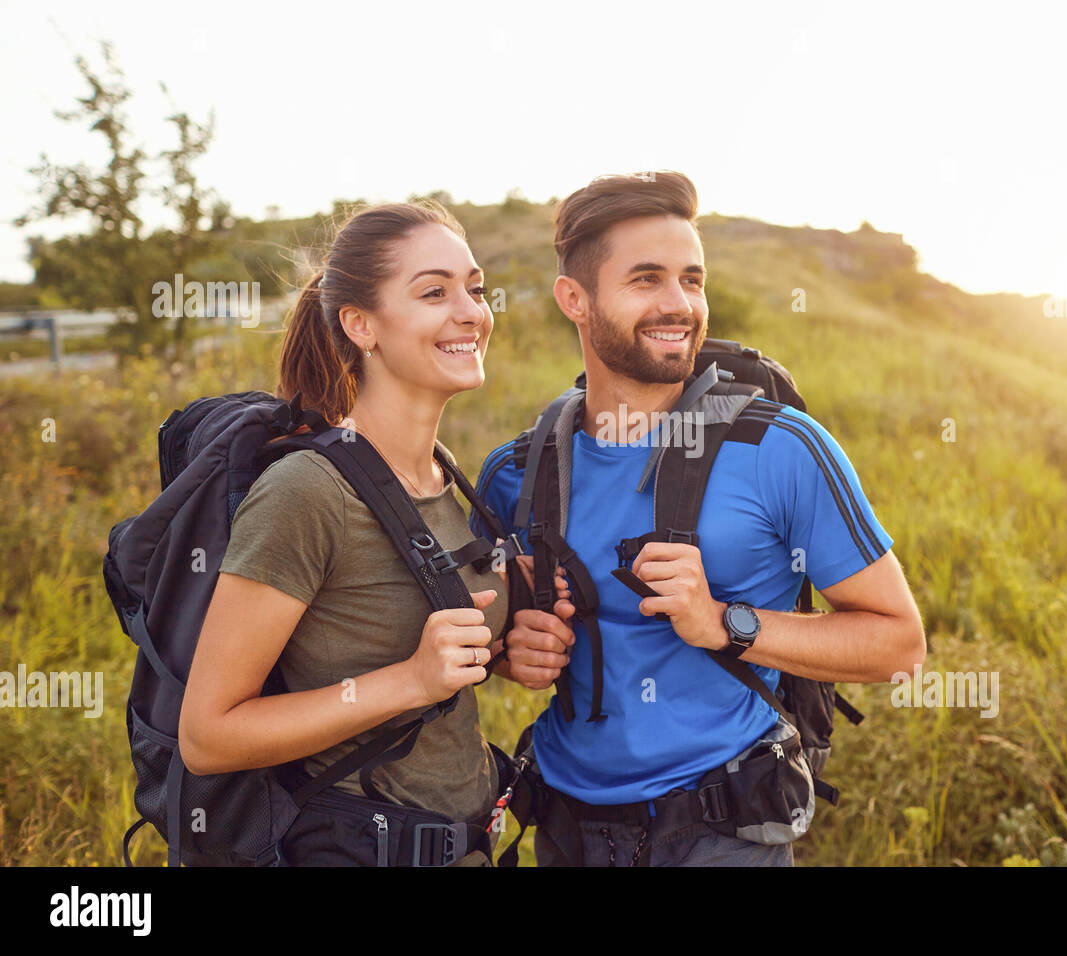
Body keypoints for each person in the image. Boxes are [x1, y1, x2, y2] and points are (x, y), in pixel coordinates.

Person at [477, 172, 927, 866]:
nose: (679, 304)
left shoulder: (781, 449)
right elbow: (474, 645)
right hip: (565, 832)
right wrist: (513, 652)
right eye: (647, 279)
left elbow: (898, 644)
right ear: (575, 298)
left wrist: (725, 622)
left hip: (722, 833)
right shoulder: (515, 474)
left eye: (693, 279)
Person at [179, 200, 537, 866]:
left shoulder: (449, 479)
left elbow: (411, 641)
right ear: (361, 325)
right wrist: (411, 681)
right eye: (434, 292)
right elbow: (208, 735)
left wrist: (518, 652)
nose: (472, 311)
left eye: (476, 288)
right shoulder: (308, 492)